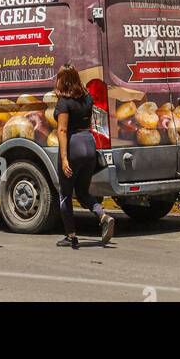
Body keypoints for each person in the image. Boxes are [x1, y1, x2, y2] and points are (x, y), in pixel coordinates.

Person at [54, 65, 113, 248]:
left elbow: (63, 130)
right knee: (82, 192)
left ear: (62, 80)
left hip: (74, 147)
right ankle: (103, 216)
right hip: (89, 145)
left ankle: (71, 235)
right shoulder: (87, 98)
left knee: (65, 194)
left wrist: (64, 158)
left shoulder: (64, 101)